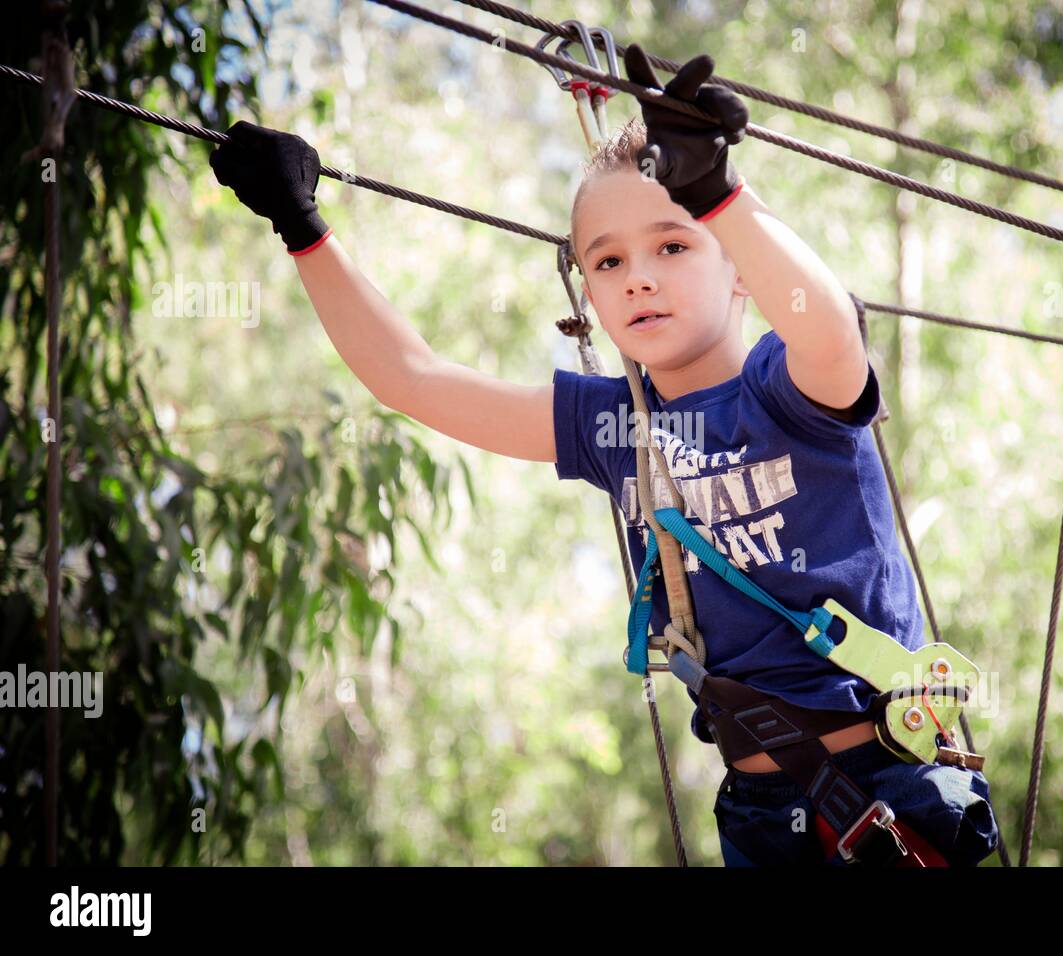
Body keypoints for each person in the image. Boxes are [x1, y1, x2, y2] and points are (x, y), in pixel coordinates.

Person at [209, 42, 999, 867]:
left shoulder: (788, 387)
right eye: (609, 261)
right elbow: (416, 380)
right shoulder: (613, 426)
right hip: (764, 820)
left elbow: (827, 327)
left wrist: (721, 196)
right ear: (588, 291)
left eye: (673, 246)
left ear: (740, 273)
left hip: (890, 789)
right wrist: (302, 227)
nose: (638, 279)